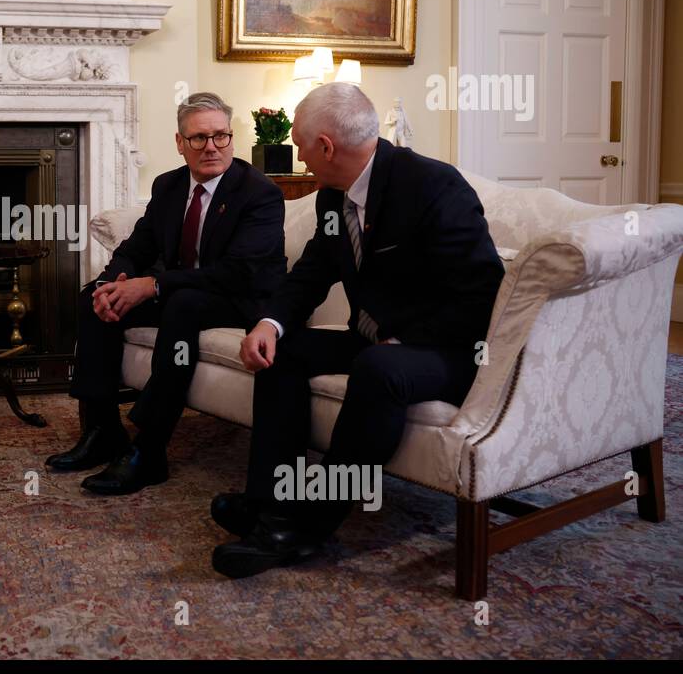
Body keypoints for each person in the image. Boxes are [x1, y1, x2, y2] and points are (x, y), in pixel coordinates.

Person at [212, 82, 504, 578]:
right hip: (378, 341)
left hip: (450, 350)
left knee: (379, 367)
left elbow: (483, 293)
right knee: (281, 353)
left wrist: (409, 338)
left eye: (303, 148)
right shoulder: (333, 199)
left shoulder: (432, 186)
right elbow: (310, 274)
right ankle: (269, 501)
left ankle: (305, 527)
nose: (301, 159)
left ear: (326, 146)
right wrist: (269, 323)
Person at [46, 92, 286, 495]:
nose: (211, 146)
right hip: (183, 293)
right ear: (180, 143)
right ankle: (103, 429)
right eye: (198, 138)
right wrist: (114, 282)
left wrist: (154, 285)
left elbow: (237, 272)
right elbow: (137, 247)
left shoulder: (258, 192)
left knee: (183, 303)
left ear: (231, 138)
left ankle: (150, 449)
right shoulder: (170, 185)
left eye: (220, 136)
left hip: (241, 299)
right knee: (96, 299)